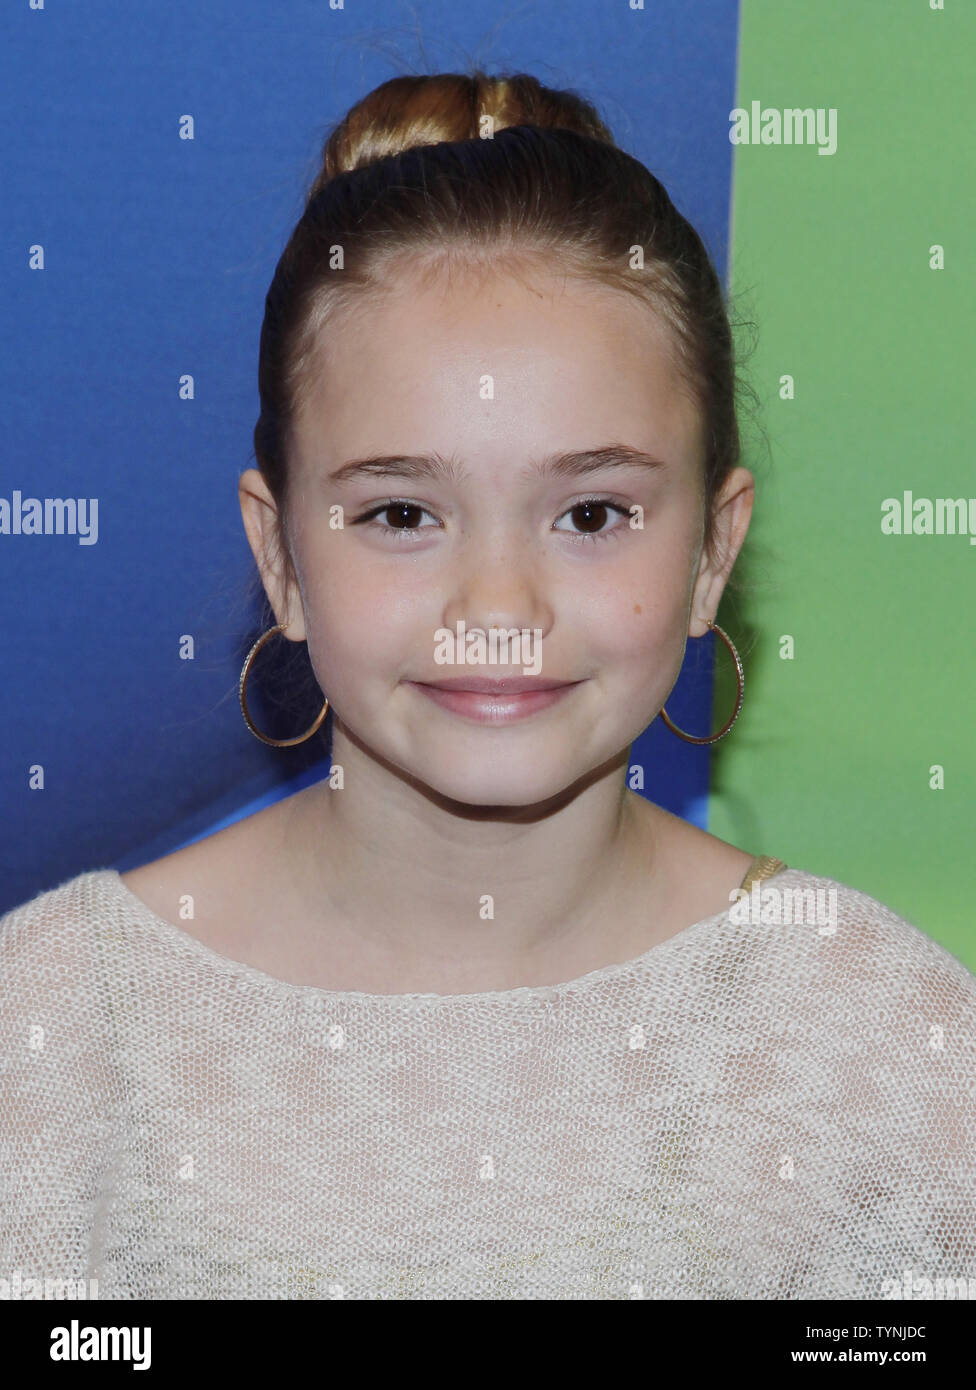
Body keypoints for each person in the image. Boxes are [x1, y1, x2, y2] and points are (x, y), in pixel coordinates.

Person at [1, 71, 973, 1302]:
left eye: (592, 512)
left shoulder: (887, 1052)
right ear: (279, 555)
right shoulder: (52, 1045)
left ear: (710, 553)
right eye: (402, 512)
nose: (500, 609)